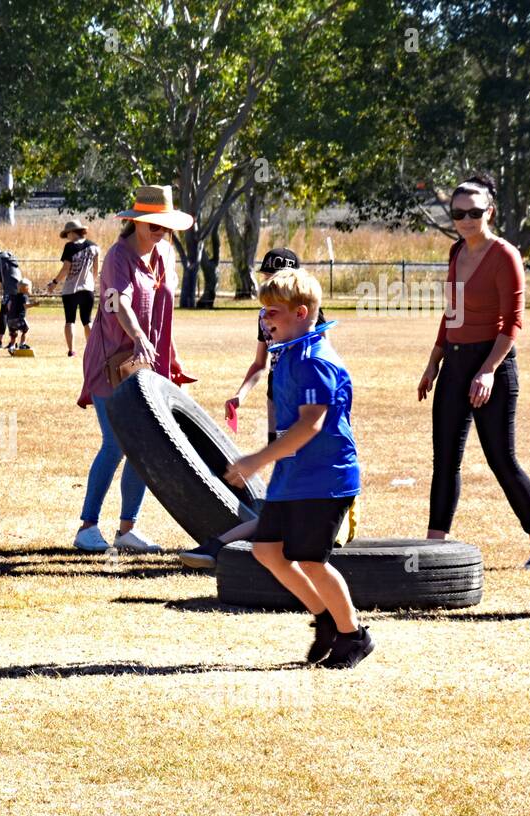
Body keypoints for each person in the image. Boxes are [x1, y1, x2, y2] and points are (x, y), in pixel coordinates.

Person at [225, 268, 372, 668]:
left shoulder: (314, 361)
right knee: (267, 550)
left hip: (325, 479)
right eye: (262, 312)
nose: (264, 319)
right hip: (293, 476)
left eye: (272, 312)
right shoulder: (288, 353)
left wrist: (257, 459)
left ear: (301, 312)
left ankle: (353, 635)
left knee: (311, 560)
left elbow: (312, 423)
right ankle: (325, 618)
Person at [417, 173, 530, 571]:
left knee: (502, 460)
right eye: (458, 213)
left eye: (474, 212)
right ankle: (435, 546)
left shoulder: (505, 255)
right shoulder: (456, 252)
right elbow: (452, 311)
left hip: (492, 363)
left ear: (489, 212)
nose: (465, 219)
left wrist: (489, 371)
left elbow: (513, 323)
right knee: (445, 460)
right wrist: (434, 362)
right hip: (455, 363)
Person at [179, 247, 331, 568]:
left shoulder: (310, 316)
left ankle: (231, 542)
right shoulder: (265, 315)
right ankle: (253, 536)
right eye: (268, 278)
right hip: (280, 398)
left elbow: (318, 369)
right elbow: (261, 364)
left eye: (279, 278)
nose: (272, 286)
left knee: (294, 475)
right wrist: (240, 395)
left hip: (302, 401)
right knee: (285, 467)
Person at [75, 184, 195, 554]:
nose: (161, 233)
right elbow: (120, 304)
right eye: (154, 226)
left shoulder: (163, 255)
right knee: (116, 444)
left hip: (148, 364)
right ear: (137, 223)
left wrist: (170, 361)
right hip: (110, 363)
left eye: (166, 227)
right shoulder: (117, 258)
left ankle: (127, 530)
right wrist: (139, 335)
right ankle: (87, 527)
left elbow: (164, 313)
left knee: (143, 447)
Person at [46, 219, 100, 357]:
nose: (67, 237)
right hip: (88, 289)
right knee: (87, 320)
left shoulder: (70, 247)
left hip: (70, 289)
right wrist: (91, 283)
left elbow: (65, 269)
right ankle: (92, 350)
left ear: (72, 233)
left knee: (70, 320)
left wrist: (54, 282)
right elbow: (96, 269)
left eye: (67, 234)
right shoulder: (94, 247)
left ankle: (71, 350)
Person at [5, 278, 36, 350]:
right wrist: (34, 304)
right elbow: (26, 305)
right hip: (19, 318)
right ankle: (22, 344)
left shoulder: (13, 296)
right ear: (27, 288)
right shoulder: (24, 297)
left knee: (13, 334)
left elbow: (8, 305)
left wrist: (11, 312)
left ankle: (12, 346)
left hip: (10, 319)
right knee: (25, 330)